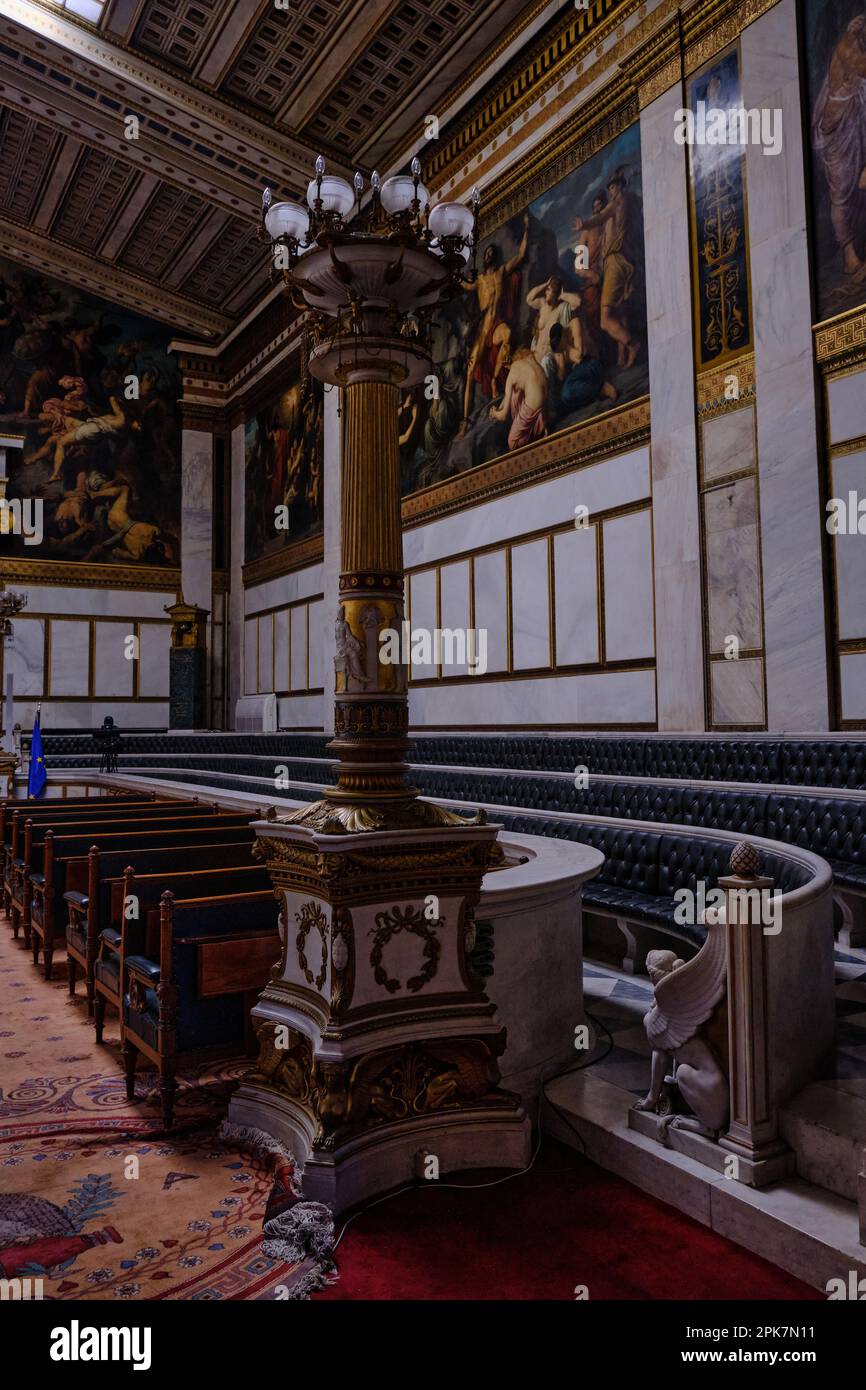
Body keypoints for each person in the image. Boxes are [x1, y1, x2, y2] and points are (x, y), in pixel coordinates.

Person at [457, 212, 530, 435]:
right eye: (486, 253)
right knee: (469, 373)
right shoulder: (478, 281)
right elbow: (464, 285)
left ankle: (497, 380)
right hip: (482, 328)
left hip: (496, 323)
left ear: (495, 257)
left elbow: (520, 255)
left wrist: (526, 228)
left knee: (507, 335)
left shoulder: (501, 272)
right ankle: (465, 420)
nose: (488, 255)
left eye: (491, 252)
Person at [812, 14, 866, 282]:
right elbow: (861, 67)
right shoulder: (848, 45)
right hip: (837, 127)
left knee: (857, 186)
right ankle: (848, 255)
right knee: (843, 191)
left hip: (853, 121)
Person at [573, 173, 641, 368]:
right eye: (594, 209)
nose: (597, 211)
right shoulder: (587, 233)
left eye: (599, 207)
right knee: (599, 317)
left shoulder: (610, 223)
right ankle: (605, 360)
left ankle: (623, 354)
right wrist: (591, 274)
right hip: (594, 279)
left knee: (622, 311)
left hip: (615, 269)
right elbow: (578, 266)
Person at [488, 346, 548, 450]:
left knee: (512, 443)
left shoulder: (511, 376)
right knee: (517, 394)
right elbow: (509, 396)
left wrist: (495, 413)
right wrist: (499, 407)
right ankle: (539, 423)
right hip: (544, 400)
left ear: (505, 365)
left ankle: (538, 429)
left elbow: (503, 416)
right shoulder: (528, 358)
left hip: (532, 406)